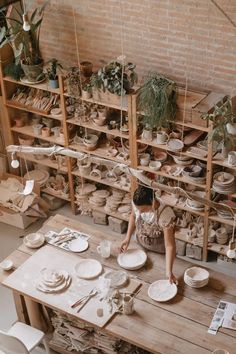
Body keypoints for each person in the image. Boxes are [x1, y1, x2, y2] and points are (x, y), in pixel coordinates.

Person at [120, 185, 177, 284]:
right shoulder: (137, 203)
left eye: (143, 210)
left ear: (153, 201)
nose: (140, 212)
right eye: (138, 209)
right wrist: (127, 238)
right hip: (140, 243)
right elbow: (133, 216)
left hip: (159, 250)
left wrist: (169, 272)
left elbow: (170, 246)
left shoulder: (165, 214)